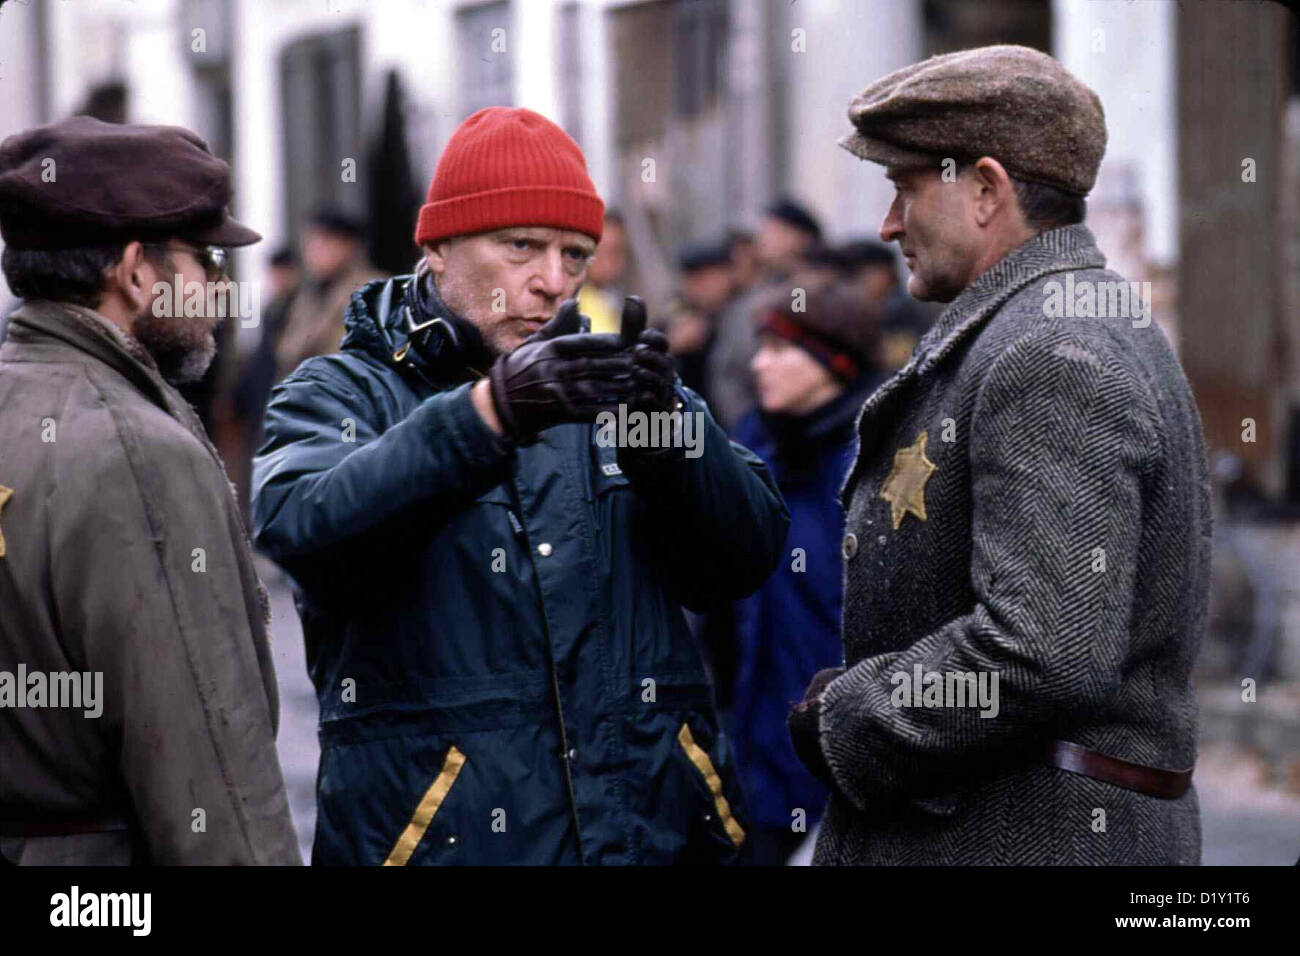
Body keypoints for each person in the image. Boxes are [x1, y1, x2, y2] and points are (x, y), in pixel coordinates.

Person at [251, 107, 789, 865]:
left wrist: (670, 434)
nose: (551, 282)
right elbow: (301, 526)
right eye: (520, 247)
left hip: (651, 842)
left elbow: (744, 557)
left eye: (575, 255)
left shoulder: (612, 385)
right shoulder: (341, 390)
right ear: (435, 246)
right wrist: (484, 418)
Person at [788, 45, 1211, 866]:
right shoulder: (1050, 325)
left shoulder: (1049, 349)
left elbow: (1044, 648)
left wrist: (854, 714)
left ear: (987, 189)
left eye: (906, 188)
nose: (888, 225)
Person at [0, 116, 301, 865]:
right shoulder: (140, 457)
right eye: (203, 260)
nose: (218, 290)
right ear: (136, 271)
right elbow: (214, 786)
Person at [728, 279, 883, 866]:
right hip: (755, 753)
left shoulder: (874, 461)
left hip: (845, 760)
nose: (757, 363)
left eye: (778, 349)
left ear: (832, 363)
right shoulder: (751, 446)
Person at [274, 206, 384, 379]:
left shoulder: (371, 290)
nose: (313, 252)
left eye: (324, 243)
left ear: (348, 246)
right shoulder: (310, 293)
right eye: (310, 243)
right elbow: (288, 350)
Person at [576, 208, 630, 334]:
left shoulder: (610, 302)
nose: (608, 261)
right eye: (599, 251)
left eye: (618, 251)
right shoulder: (578, 307)